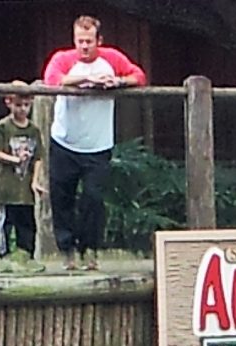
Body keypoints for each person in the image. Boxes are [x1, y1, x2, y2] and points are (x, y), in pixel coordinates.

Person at [42, 15, 145, 272]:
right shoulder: (63, 59)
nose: (84, 46)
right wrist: (87, 81)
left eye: (89, 41)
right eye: (79, 41)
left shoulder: (111, 58)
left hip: (98, 145)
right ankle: (67, 250)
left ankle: (91, 249)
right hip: (65, 141)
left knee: (93, 198)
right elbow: (52, 78)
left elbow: (138, 75)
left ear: (99, 40)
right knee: (61, 196)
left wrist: (117, 82)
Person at [0, 91, 43, 264]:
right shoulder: (3, 126)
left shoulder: (34, 130)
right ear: (9, 103)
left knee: (27, 225)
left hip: (25, 189)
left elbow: (38, 158)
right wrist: (15, 159)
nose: (22, 109)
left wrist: (35, 181)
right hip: (7, 188)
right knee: (5, 224)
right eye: (18, 105)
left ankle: (26, 257)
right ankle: (4, 256)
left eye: (26, 105)